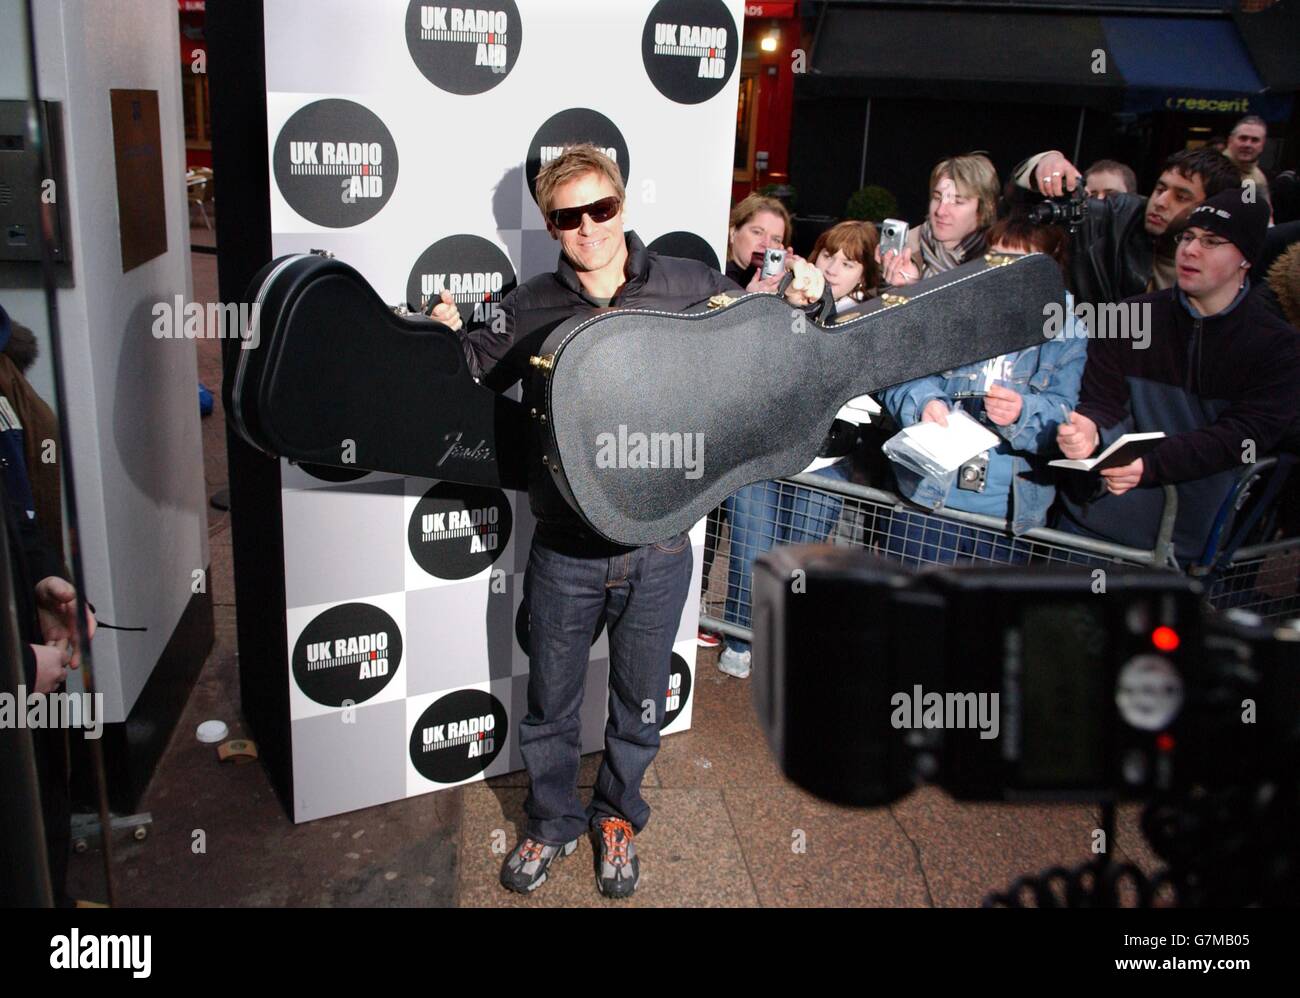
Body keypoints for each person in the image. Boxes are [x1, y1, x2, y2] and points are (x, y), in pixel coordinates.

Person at [430, 144, 824, 898]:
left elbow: (771, 344)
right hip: (566, 551)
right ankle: (549, 824)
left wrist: (804, 300)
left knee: (640, 701)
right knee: (550, 703)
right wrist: (444, 335)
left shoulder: (687, 285)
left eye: (600, 209)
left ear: (623, 204)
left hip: (661, 544)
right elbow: (463, 376)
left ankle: (617, 816)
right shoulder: (528, 305)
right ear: (550, 226)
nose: (588, 229)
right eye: (568, 217)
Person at [1054, 188, 1300, 564]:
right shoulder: (1127, 316)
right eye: (1187, 236)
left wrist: (1150, 465)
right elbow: (1101, 400)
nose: (1190, 249)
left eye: (1212, 241)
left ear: (1246, 258)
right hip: (1086, 528)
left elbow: (1241, 435)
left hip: (1178, 548)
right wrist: (1089, 428)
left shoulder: (1276, 346)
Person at [715, 221, 882, 680]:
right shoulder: (780, 297)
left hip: (824, 464)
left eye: (847, 264)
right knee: (751, 545)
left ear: (864, 276)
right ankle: (739, 637)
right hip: (761, 455)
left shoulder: (871, 318)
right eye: (828, 256)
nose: (832, 268)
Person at [878, 219, 1087, 566]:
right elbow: (894, 371)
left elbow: (1067, 418)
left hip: (1007, 522)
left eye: (1021, 264)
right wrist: (924, 402)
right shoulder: (953, 309)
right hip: (926, 504)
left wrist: (1022, 412)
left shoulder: (1068, 331)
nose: (1004, 273)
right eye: (996, 259)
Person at [1012, 146, 1241, 308]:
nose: (1161, 202)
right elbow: (1020, 208)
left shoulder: (1227, 263)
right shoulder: (1117, 216)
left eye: (1181, 197)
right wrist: (1045, 163)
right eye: (1161, 189)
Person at [877, 153, 999, 286]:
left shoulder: (999, 260)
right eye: (937, 198)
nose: (941, 211)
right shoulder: (908, 248)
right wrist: (900, 286)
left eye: (957, 202)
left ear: (986, 208)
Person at [725, 193, 792, 290]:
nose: (766, 244)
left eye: (775, 239)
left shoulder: (779, 286)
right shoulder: (715, 278)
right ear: (733, 232)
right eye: (757, 232)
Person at [1224, 115, 1270, 205]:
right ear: (1230, 141)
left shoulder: (1258, 177)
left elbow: (1264, 213)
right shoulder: (1209, 168)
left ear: (1262, 146)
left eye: (1255, 140)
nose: (1248, 145)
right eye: (1243, 138)